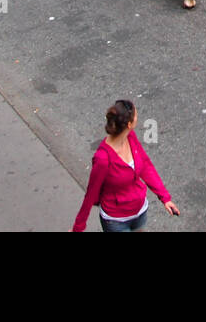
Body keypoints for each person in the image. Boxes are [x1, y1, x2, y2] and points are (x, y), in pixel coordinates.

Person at [71, 99, 179, 232]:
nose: (137, 118)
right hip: (116, 221)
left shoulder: (130, 137)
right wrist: (78, 227)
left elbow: (145, 165)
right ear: (129, 124)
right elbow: (91, 193)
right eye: (136, 116)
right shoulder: (103, 159)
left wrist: (165, 198)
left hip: (139, 211)